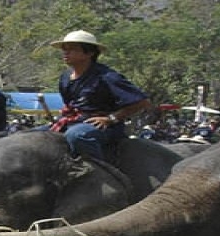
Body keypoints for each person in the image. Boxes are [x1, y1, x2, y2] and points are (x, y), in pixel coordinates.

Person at [47, 30, 152, 162]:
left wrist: (110, 119)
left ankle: (99, 172)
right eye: (65, 49)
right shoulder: (65, 77)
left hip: (105, 127)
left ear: (90, 53)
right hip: (73, 122)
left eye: (72, 49)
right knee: (31, 135)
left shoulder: (107, 76)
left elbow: (142, 102)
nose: (65, 53)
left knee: (77, 136)